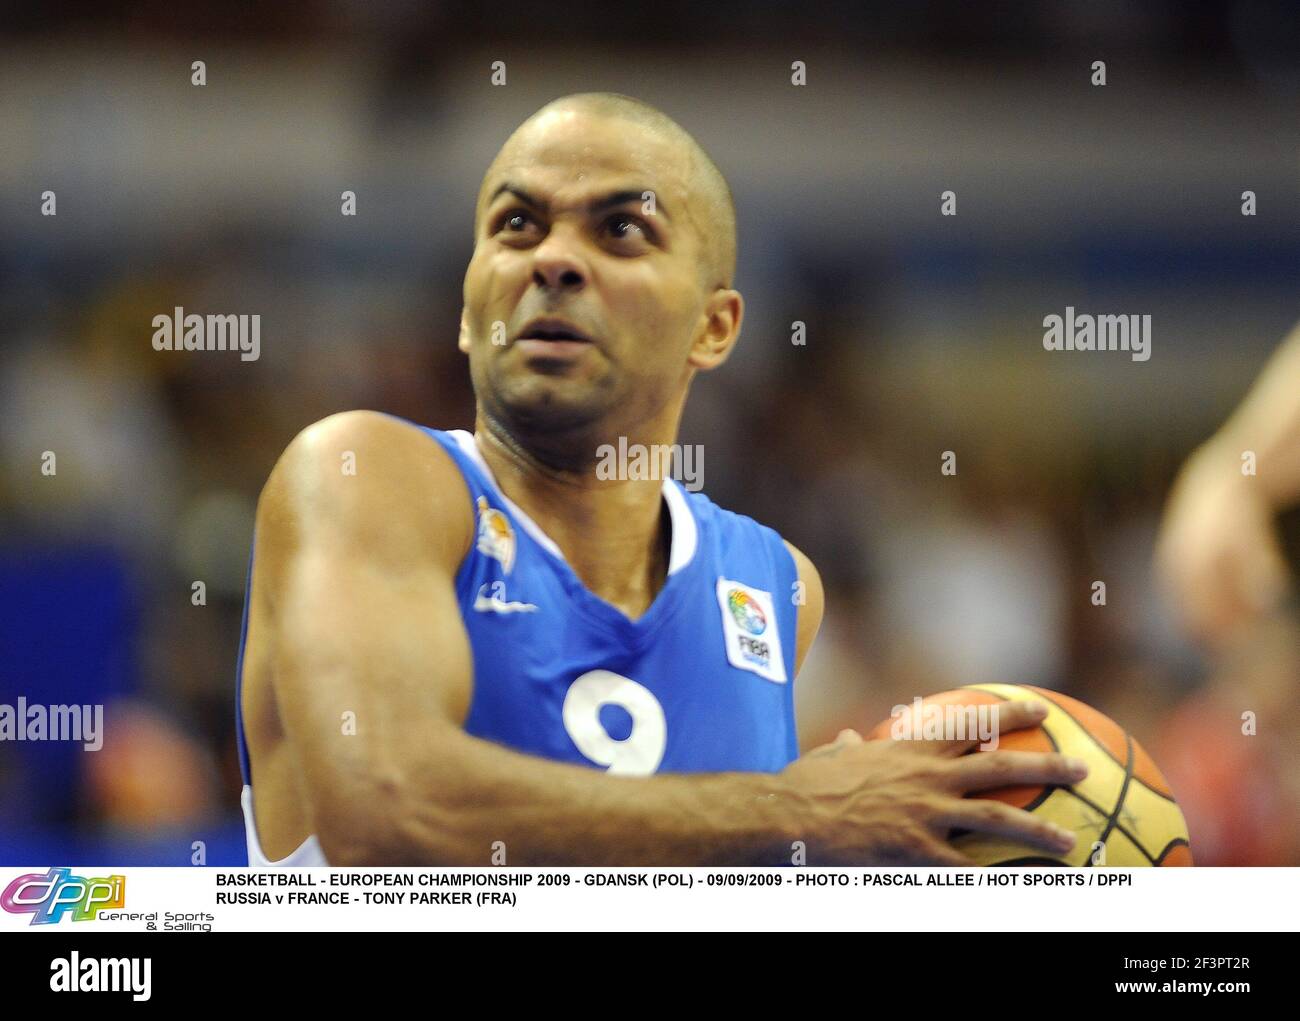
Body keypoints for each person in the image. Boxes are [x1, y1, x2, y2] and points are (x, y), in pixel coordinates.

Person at [235, 92, 1086, 866]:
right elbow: (386, 809)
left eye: (621, 231)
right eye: (518, 225)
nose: (554, 261)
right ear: (467, 312)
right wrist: (792, 809)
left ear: (714, 328)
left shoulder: (777, 586)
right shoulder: (363, 475)